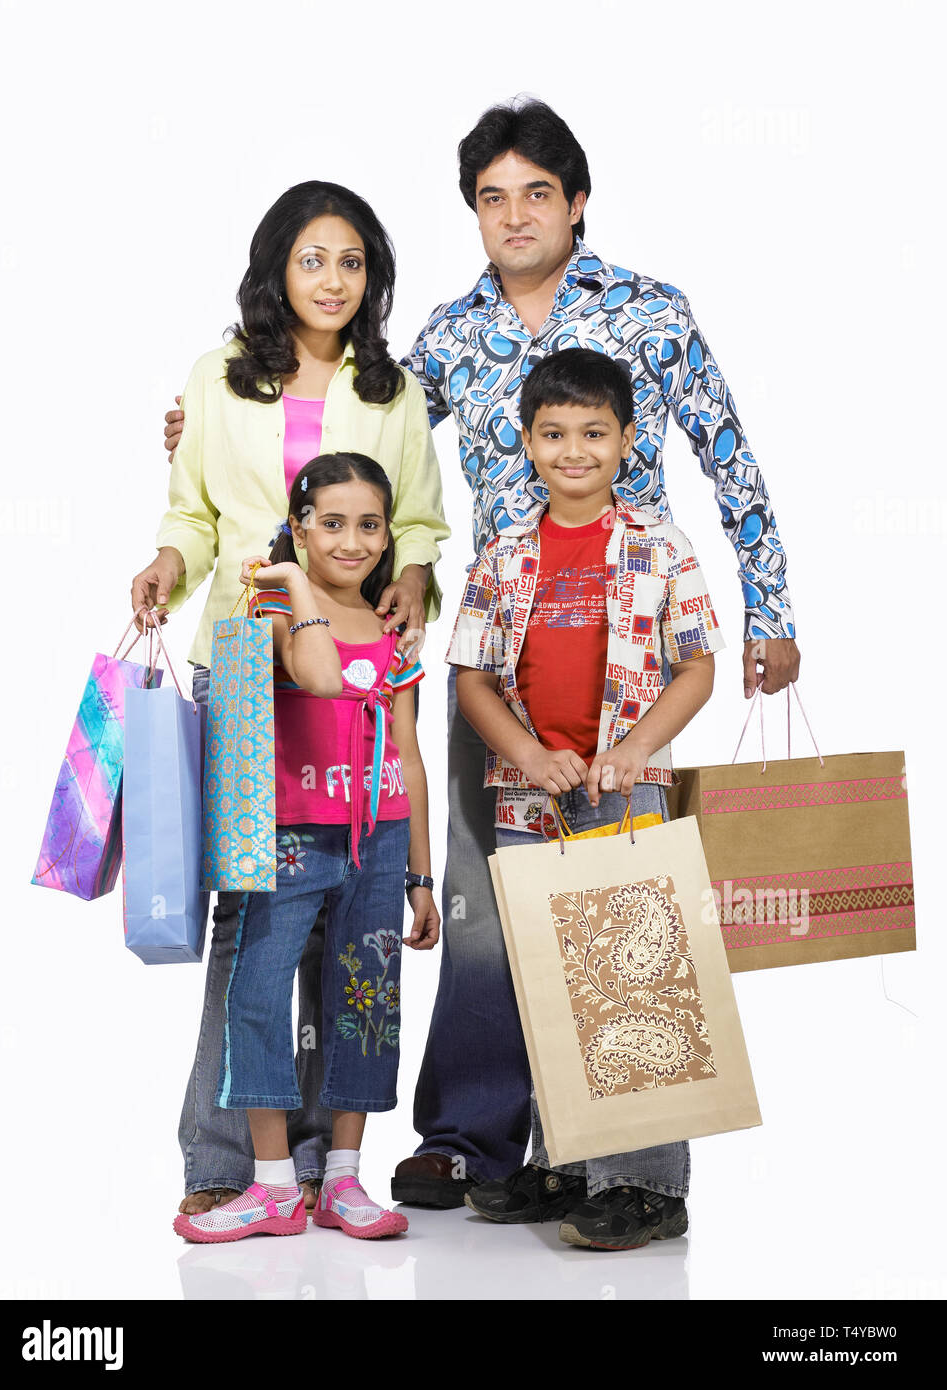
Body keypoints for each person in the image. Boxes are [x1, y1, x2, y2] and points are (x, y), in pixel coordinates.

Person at [163, 99, 800, 1208]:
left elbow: (730, 456)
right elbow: (361, 448)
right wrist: (214, 422)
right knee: (479, 905)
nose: (514, 216)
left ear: (578, 200)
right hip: (495, 651)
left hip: (632, 647)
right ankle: (473, 1137)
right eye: (492, 197)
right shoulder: (451, 336)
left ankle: (625, 1165)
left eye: (536, 193)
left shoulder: (651, 312)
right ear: (474, 212)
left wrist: (770, 611)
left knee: (622, 904)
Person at [132, 180, 449, 1218]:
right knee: (253, 922)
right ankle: (229, 1161)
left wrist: (409, 578)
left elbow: (421, 524)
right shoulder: (217, 380)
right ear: (277, 269)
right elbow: (192, 510)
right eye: (312, 259)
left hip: (360, 665)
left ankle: (328, 1161)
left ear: (372, 279)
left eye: (351, 261)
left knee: (351, 925)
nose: (331, 279)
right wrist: (164, 571)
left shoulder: (393, 391)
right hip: (248, 659)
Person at [447, 347, 722, 1249]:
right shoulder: (505, 552)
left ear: (626, 441)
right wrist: (527, 754)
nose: (574, 450)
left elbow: (696, 667)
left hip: (628, 793)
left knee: (636, 986)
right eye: (554, 434)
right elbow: (475, 682)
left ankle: (645, 1184)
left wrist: (635, 750)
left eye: (594, 433)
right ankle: (567, 1162)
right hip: (531, 803)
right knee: (548, 986)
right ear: (526, 442)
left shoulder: (659, 545)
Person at [173, 452, 440, 1244]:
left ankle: (345, 1177)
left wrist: (421, 874)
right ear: (299, 527)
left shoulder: (394, 629)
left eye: (368, 525)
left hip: (378, 838)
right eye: (329, 524)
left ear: (388, 532)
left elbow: (410, 753)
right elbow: (319, 679)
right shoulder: (276, 610)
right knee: (255, 994)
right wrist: (291, 582)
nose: (351, 542)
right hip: (285, 840)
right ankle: (271, 1185)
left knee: (364, 1004)